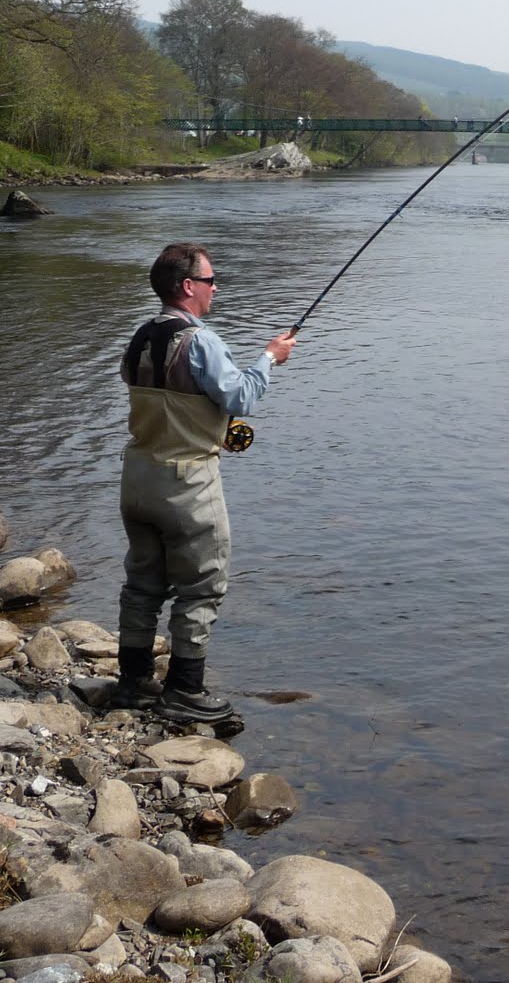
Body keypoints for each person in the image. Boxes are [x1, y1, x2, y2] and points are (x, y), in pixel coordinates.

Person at [114, 242, 298, 724]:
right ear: (189, 287)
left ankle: (132, 683)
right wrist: (269, 358)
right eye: (212, 281)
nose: (216, 289)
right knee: (201, 587)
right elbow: (239, 398)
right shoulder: (201, 340)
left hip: (136, 479)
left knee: (142, 583)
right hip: (187, 484)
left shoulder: (139, 336)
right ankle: (185, 690)